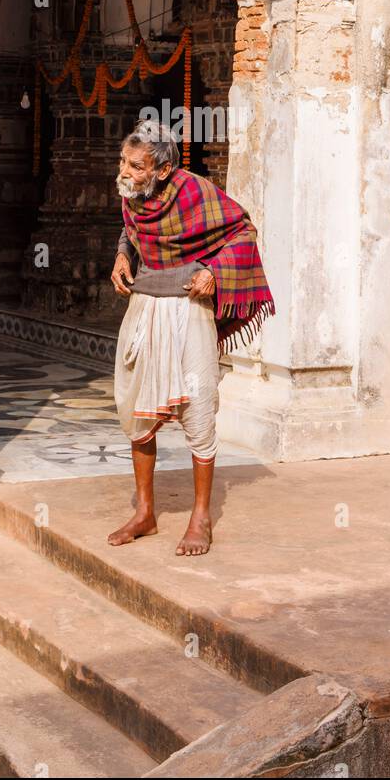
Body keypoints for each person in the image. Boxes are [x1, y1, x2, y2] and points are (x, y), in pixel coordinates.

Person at [108, 119, 274, 555]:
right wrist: (123, 256)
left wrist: (213, 273)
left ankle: (201, 517)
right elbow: (132, 233)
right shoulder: (134, 198)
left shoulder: (194, 190)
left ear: (162, 171)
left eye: (136, 165)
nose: (124, 171)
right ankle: (145, 513)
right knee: (136, 406)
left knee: (197, 408)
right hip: (144, 308)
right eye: (124, 161)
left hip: (188, 314)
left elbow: (242, 231)